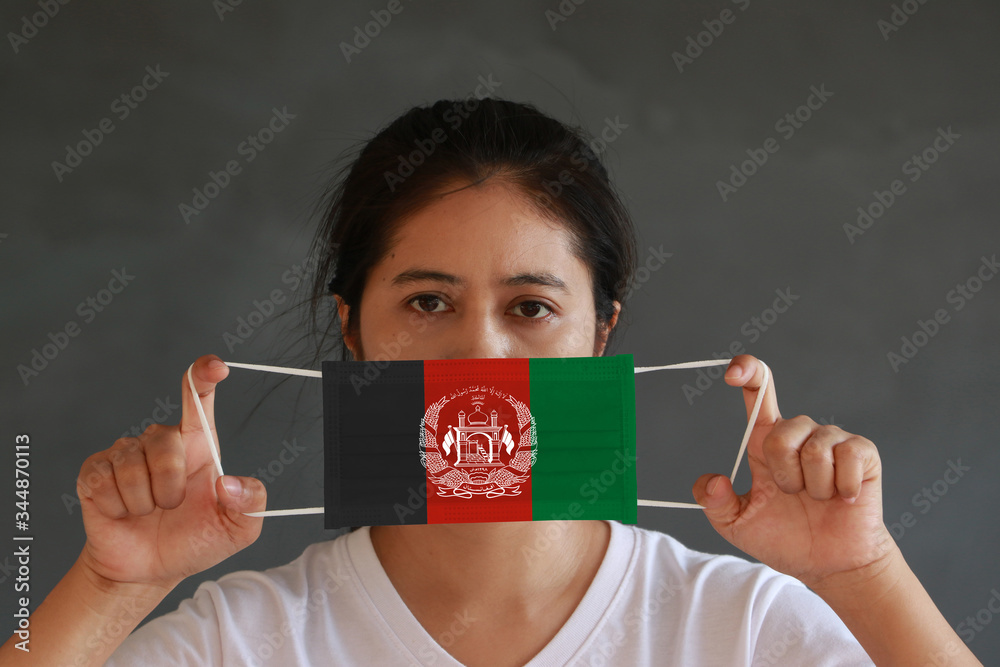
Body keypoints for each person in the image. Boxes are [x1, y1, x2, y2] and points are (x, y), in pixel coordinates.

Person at [2, 98, 981, 666]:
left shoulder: (745, 628)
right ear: (353, 329)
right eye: (427, 302)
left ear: (603, 331)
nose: (479, 356)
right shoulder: (247, 639)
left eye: (530, 307)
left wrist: (861, 577)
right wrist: (107, 587)